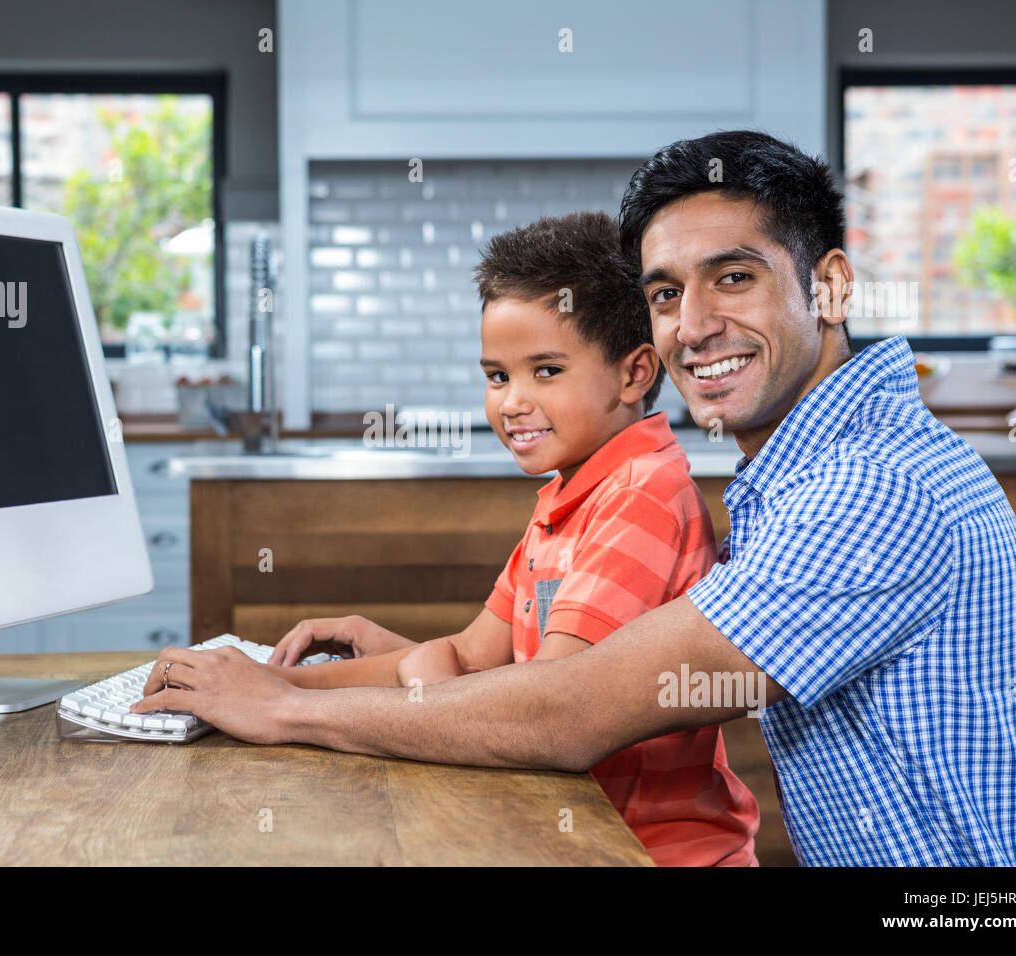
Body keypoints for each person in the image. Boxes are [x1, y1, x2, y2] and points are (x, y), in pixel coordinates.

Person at [134, 131, 1016, 866]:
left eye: (733, 276)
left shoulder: (869, 491)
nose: (693, 327)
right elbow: (518, 672)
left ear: (827, 286)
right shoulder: (824, 466)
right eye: (666, 293)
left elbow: (567, 711)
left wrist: (282, 705)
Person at [214, 211, 759, 866]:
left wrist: (285, 706)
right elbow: (472, 658)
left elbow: (548, 707)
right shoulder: (570, 492)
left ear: (635, 373)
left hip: (648, 852)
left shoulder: (641, 496)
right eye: (497, 376)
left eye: (545, 371)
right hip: (576, 832)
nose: (512, 402)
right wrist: (272, 685)